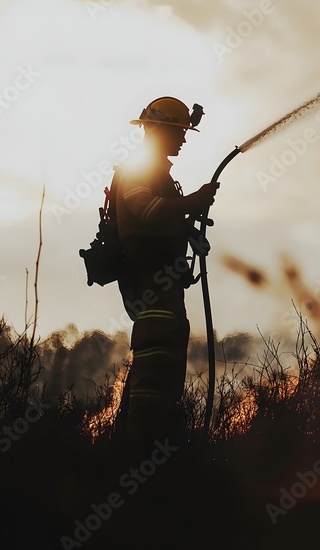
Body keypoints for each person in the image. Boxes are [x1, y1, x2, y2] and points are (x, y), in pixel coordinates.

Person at [114, 96, 218, 446]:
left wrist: (189, 232)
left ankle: (135, 453)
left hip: (165, 289)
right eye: (179, 131)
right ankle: (139, 457)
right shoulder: (138, 170)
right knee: (154, 379)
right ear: (157, 129)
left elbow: (163, 216)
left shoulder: (157, 173)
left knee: (162, 376)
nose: (184, 139)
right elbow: (144, 210)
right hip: (152, 290)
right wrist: (195, 201)